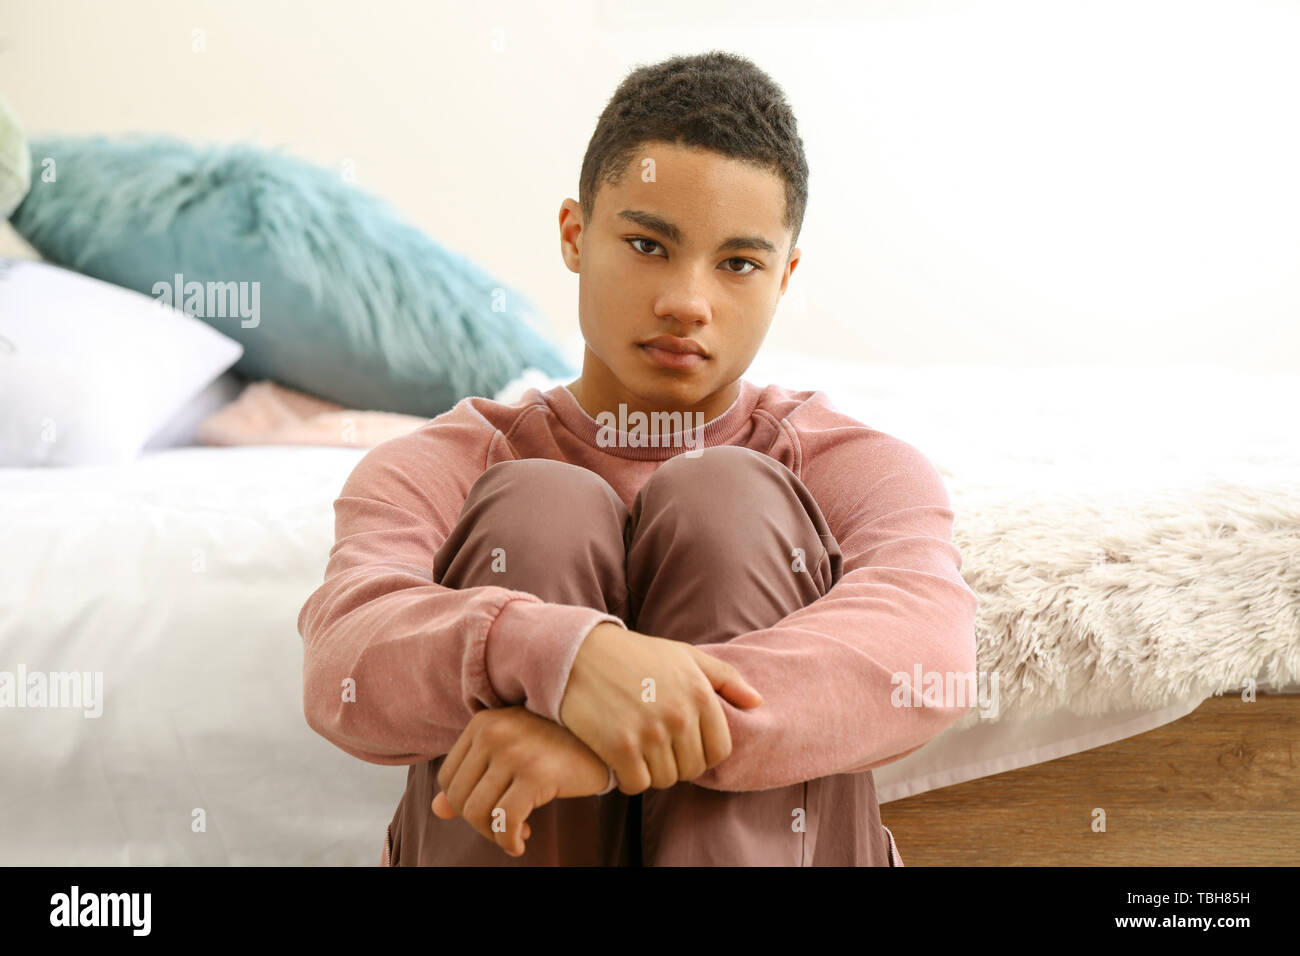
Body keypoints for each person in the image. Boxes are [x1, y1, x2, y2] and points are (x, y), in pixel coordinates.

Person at [297, 50, 978, 867]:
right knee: (539, 509)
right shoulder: (444, 462)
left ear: (784, 277)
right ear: (575, 235)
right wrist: (565, 658)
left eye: (738, 264)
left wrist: (606, 738)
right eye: (649, 245)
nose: (687, 302)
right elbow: (342, 659)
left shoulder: (850, 461)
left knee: (726, 497)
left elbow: (929, 653)